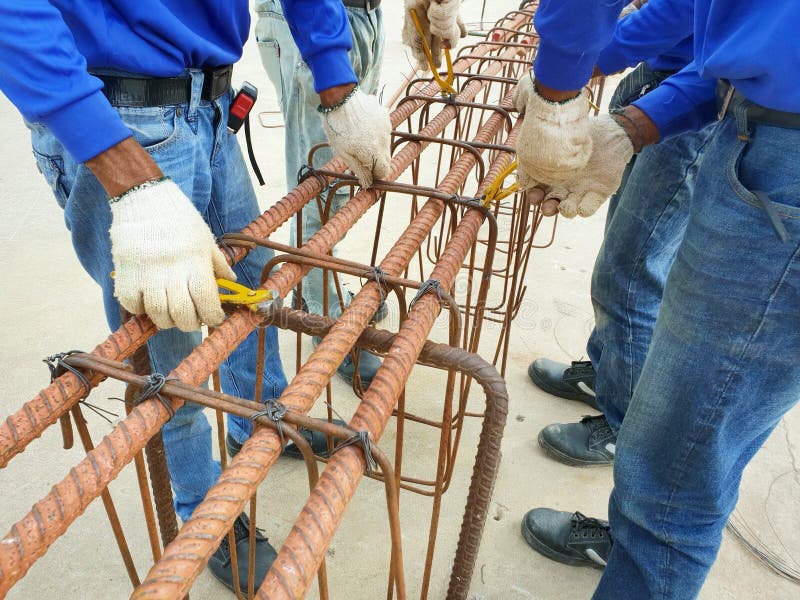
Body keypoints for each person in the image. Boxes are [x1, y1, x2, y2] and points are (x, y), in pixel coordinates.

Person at [0, 0, 391, 593]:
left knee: (251, 281)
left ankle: (258, 415)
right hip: (117, 111)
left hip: (212, 102)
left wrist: (338, 86)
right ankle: (203, 513)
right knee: (167, 344)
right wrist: (121, 169)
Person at [514, 0, 800, 598]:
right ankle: (628, 546)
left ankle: (639, 554)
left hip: (784, 165)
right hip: (754, 126)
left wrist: (558, 86)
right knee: (673, 439)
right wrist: (633, 127)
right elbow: (754, 38)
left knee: (675, 478)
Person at [529, 0, 699, 471]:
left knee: (629, 275)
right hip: (671, 80)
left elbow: (683, 10)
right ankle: (605, 376)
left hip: (695, 99)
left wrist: (572, 69)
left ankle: (623, 429)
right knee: (624, 254)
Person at [253, 0, 387, 387]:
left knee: (342, 179)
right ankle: (327, 323)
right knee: (320, 193)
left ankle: (314, 292)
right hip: (314, 20)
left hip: (359, 16)